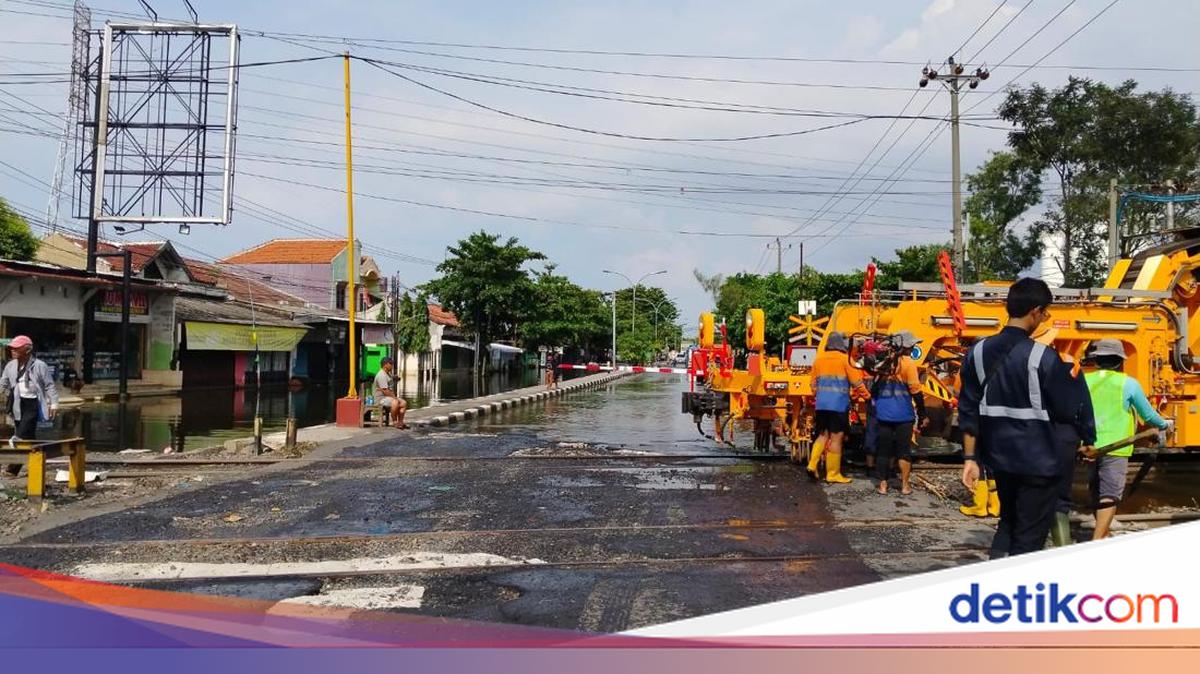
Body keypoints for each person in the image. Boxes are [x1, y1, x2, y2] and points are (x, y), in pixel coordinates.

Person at [958, 278, 1095, 558]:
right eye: (1045, 314)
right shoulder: (1043, 357)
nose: (1043, 319)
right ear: (1035, 311)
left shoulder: (978, 352)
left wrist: (970, 460)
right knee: (1029, 539)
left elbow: (968, 408)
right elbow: (1067, 411)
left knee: (1007, 523)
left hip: (1000, 459)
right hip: (1038, 462)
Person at [1082, 338, 1172, 540]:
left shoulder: (1084, 381)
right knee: (1110, 493)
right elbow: (1148, 415)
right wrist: (1164, 425)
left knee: (1096, 491)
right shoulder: (1128, 383)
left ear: (1096, 360)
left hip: (1088, 446)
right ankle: (1097, 541)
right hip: (1116, 446)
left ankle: (1102, 534)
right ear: (1119, 361)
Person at [807, 331, 869, 484]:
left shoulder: (818, 360)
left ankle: (812, 464)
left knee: (822, 435)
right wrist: (868, 397)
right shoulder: (845, 360)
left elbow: (813, 385)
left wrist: (820, 396)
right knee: (836, 438)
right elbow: (857, 383)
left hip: (821, 405)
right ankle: (833, 474)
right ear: (842, 344)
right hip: (838, 406)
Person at [872, 331, 928, 496]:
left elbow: (873, 390)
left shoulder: (883, 364)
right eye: (912, 346)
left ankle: (882, 485)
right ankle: (904, 486)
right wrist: (923, 413)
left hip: (883, 414)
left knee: (883, 450)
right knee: (903, 451)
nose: (913, 348)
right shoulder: (908, 364)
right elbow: (915, 390)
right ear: (906, 347)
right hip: (904, 415)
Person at [1, 335, 60, 475]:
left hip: (33, 403)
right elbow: (3, 383)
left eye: (16, 348)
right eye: (12, 348)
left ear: (27, 350)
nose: (12, 350)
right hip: (16, 403)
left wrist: (54, 404)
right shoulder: (10, 365)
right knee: (29, 436)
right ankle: (36, 463)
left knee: (21, 434)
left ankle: (13, 468)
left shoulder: (40, 365)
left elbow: (49, 386)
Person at [372, 357, 408, 429]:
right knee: (395, 402)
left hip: (387, 398)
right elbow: (385, 391)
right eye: (390, 364)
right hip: (380, 399)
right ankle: (394, 422)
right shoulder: (381, 375)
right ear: (385, 365)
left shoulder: (387, 374)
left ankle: (400, 422)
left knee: (403, 402)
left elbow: (390, 381)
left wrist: (395, 378)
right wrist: (395, 398)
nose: (392, 365)